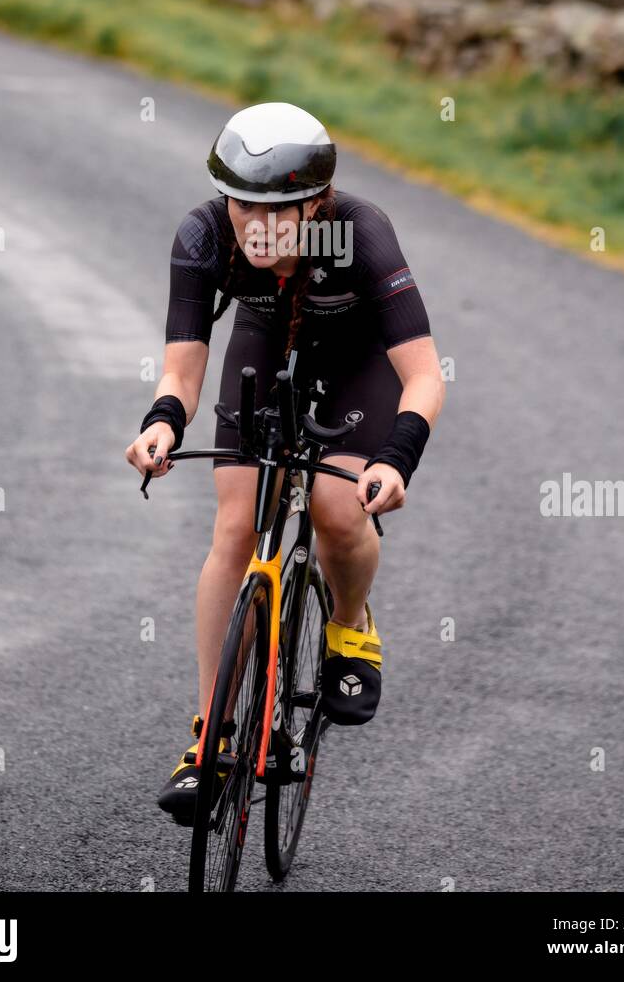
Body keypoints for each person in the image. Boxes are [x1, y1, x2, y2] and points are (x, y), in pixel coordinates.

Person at [125, 102, 444, 823]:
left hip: (358, 362)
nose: (259, 226)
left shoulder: (359, 233)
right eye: (244, 207)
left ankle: (350, 625)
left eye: (282, 210)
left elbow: (426, 374)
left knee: (337, 508)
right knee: (235, 529)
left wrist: (396, 459)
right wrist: (162, 423)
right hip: (263, 349)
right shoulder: (203, 235)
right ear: (225, 200)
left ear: (317, 203)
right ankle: (210, 743)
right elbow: (181, 366)